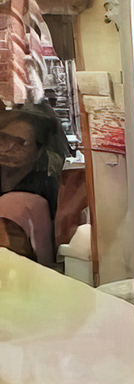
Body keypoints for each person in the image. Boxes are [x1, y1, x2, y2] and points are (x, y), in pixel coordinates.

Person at [0, 101, 68, 264]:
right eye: (3, 138)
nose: (8, 149)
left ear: (39, 151)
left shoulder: (45, 189)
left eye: (21, 142)